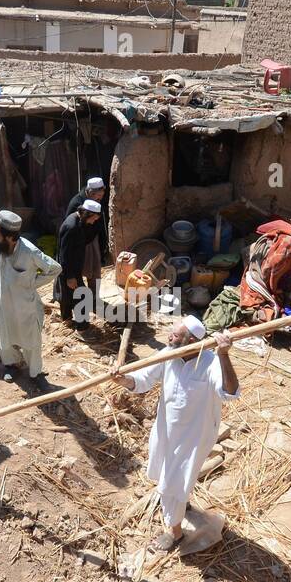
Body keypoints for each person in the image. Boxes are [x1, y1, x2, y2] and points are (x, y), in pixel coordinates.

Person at [110, 315, 239, 552]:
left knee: (171, 483)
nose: (169, 337)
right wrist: (123, 380)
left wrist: (224, 355)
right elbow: (142, 380)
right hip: (166, 430)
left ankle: (175, 532)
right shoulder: (169, 354)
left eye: (176, 335)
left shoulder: (210, 362)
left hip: (194, 436)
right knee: (168, 475)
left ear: (191, 341)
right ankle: (182, 503)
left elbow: (230, 392)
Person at [0, 210, 61, 382]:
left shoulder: (30, 252)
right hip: (1, 302)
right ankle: (10, 365)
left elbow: (55, 269)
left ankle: (35, 374)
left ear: (10, 237)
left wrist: (33, 283)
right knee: (4, 335)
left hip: (24, 305)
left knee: (31, 340)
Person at [54, 198, 104, 329]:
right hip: (68, 270)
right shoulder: (71, 226)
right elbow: (64, 254)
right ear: (87, 214)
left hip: (73, 268)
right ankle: (82, 327)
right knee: (80, 297)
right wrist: (70, 276)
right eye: (93, 219)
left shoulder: (79, 221)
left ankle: (68, 321)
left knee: (67, 297)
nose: (93, 222)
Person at [64, 176, 109, 266]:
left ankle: (96, 281)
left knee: (95, 270)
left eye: (101, 196)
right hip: (83, 242)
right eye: (99, 196)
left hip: (93, 238)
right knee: (85, 269)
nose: (100, 199)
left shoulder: (96, 201)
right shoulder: (77, 203)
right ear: (91, 193)